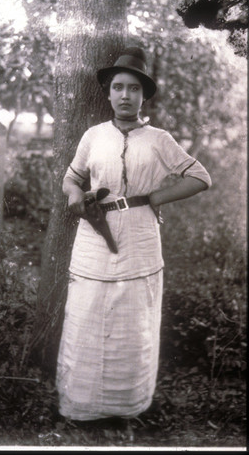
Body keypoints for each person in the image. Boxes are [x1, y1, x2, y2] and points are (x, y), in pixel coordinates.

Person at [56, 47, 212, 423]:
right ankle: (82, 407)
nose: (125, 96)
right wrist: (76, 197)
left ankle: (128, 407)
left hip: (140, 235)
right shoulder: (93, 135)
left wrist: (154, 197)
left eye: (134, 89)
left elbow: (200, 178)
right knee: (87, 313)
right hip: (94, 235)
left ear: (144, 96)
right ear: (108, 93)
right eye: (118, 87)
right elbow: (72, 177)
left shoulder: (158, 139)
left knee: (132, 319)